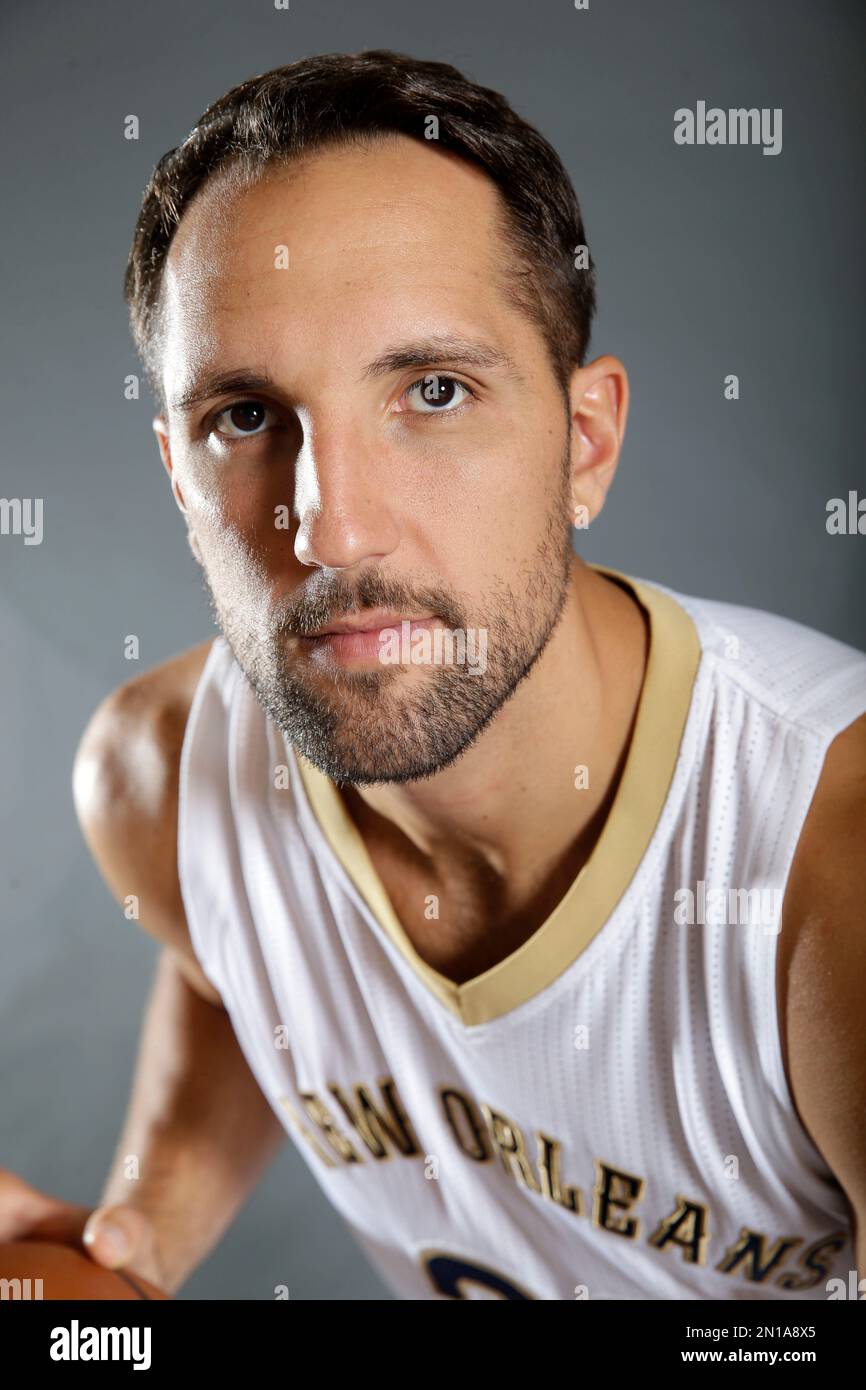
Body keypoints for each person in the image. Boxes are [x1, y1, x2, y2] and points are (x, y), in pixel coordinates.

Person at [3, 50, 865, 1300]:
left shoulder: (823, 868)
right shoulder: (163, 786)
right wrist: (120, 1256)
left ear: (585, 442)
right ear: (177, 477)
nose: (332, 529)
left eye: (434, 389)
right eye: (244, 417)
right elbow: (235, 965)